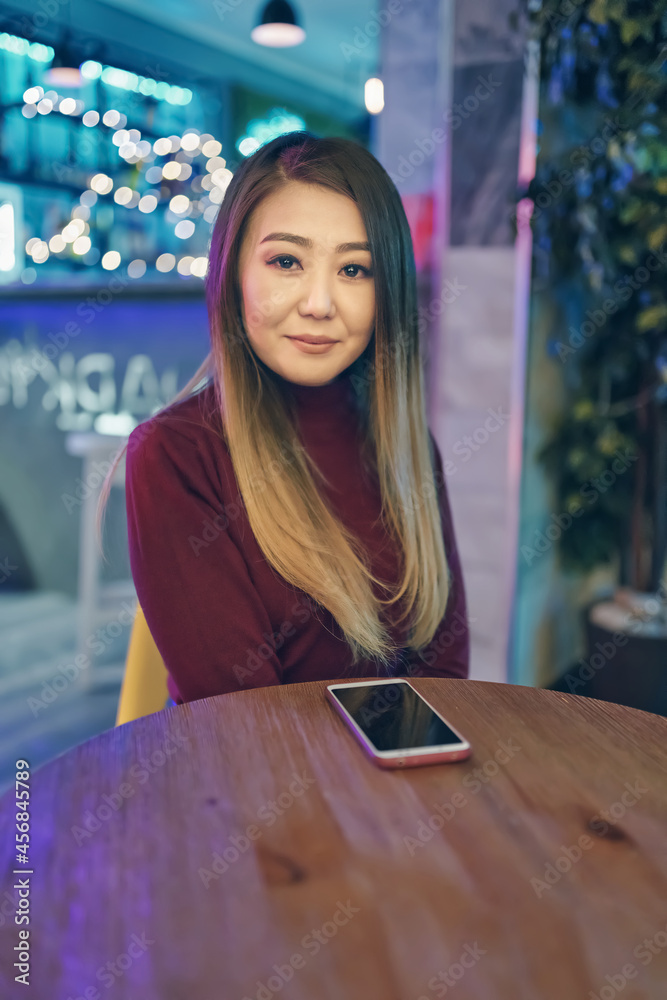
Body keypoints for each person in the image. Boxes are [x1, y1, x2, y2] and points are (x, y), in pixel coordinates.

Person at [98, 130, 470, 707]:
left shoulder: (410, 448)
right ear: (232, 274)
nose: (319, 303)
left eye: (355, 270)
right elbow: (249, 719)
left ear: (387, 293)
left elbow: (444, 683)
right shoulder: (177, 455)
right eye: (286, 261)